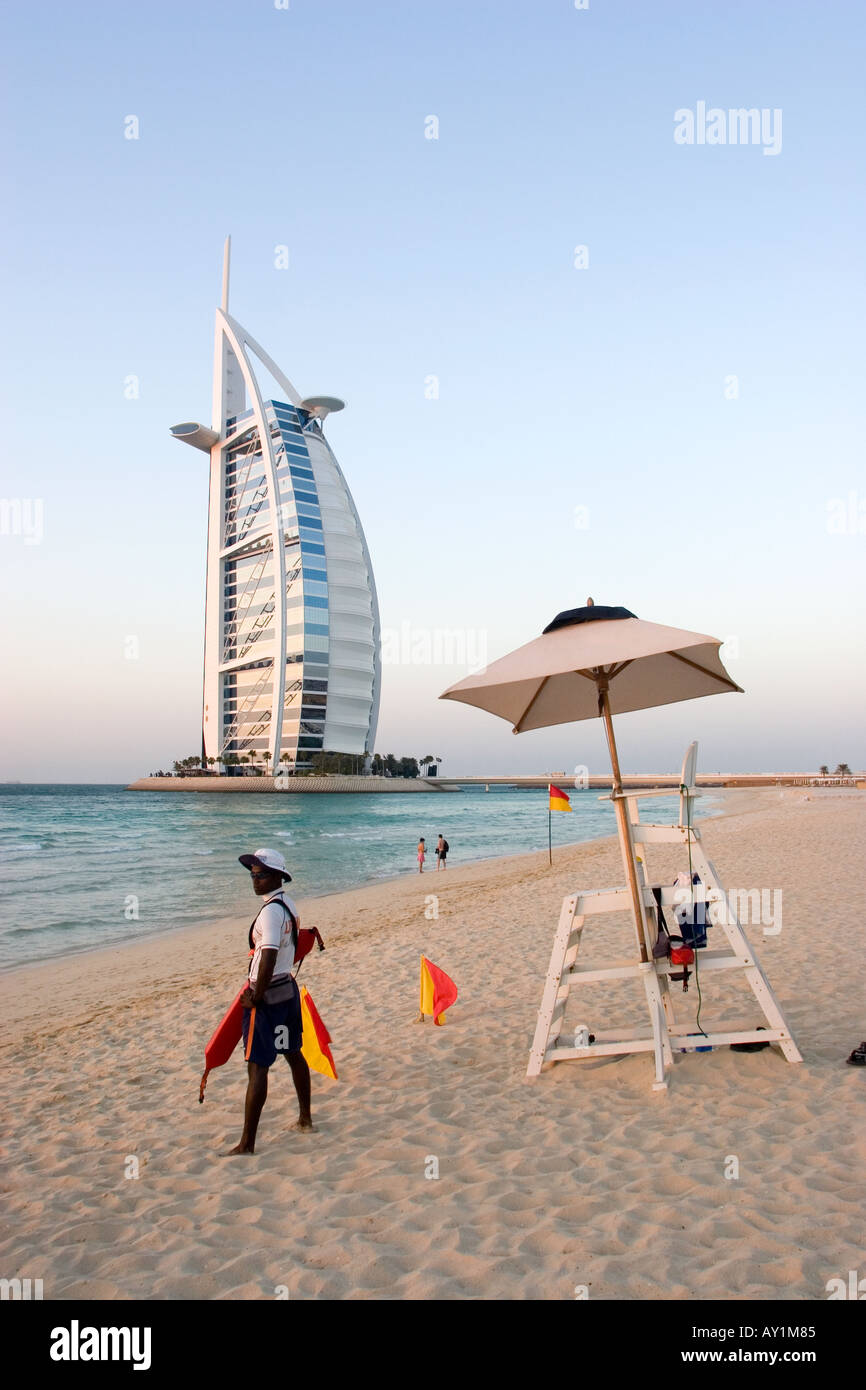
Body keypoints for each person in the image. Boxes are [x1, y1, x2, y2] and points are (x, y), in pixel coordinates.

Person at [224, 847, 313, 1155]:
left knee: (257, 1068)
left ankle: (247, 1144)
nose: (254, 879)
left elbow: (269, 954)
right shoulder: (288, 904)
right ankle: (305, 1118)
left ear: (277, 876)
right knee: (293, 1054)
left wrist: (256, 996)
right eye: (252, 874)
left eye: (260, 875)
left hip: (269, 999)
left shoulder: (271, 912)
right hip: (287, 991)